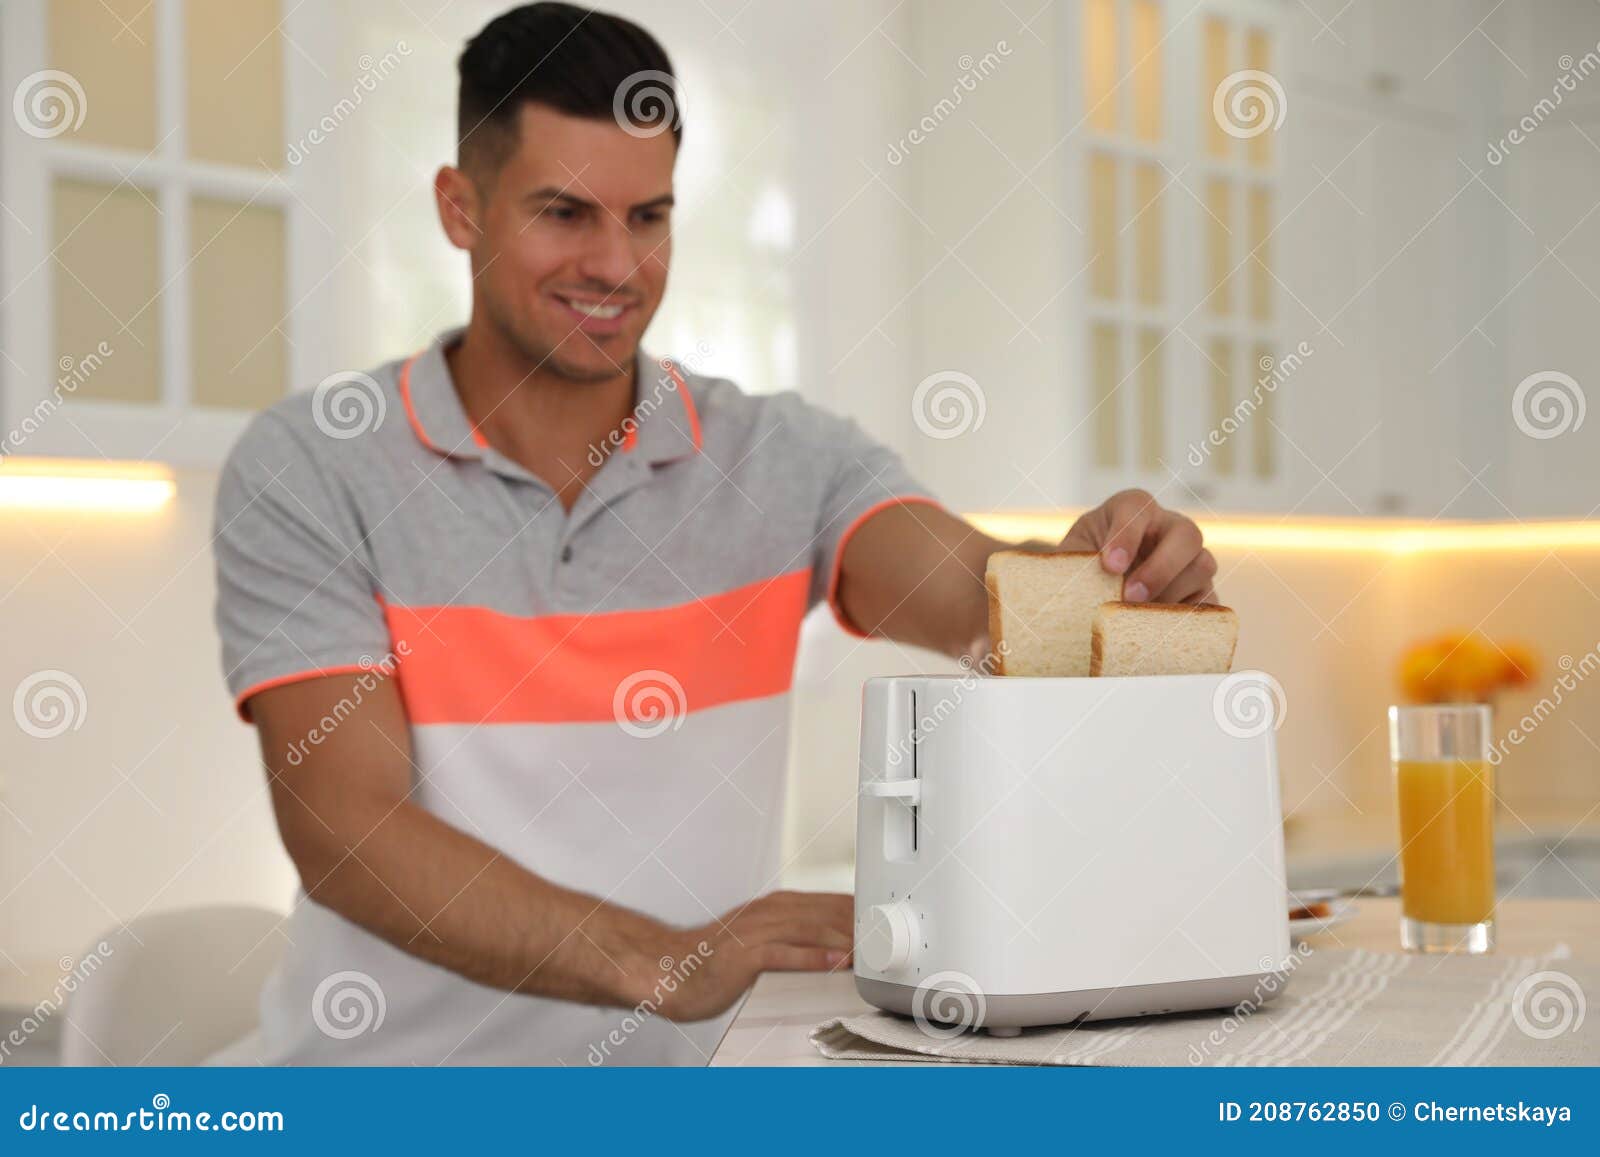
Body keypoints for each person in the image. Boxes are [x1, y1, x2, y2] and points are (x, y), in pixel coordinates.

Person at [212, 1, 1217, 1066]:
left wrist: (1109, 581)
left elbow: (985, 602)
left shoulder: (781, 458)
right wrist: (661, 959)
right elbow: (349, 830)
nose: (615, 264)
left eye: (649, 217)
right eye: (564, 213)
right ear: (460, 209)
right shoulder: (317, 463)